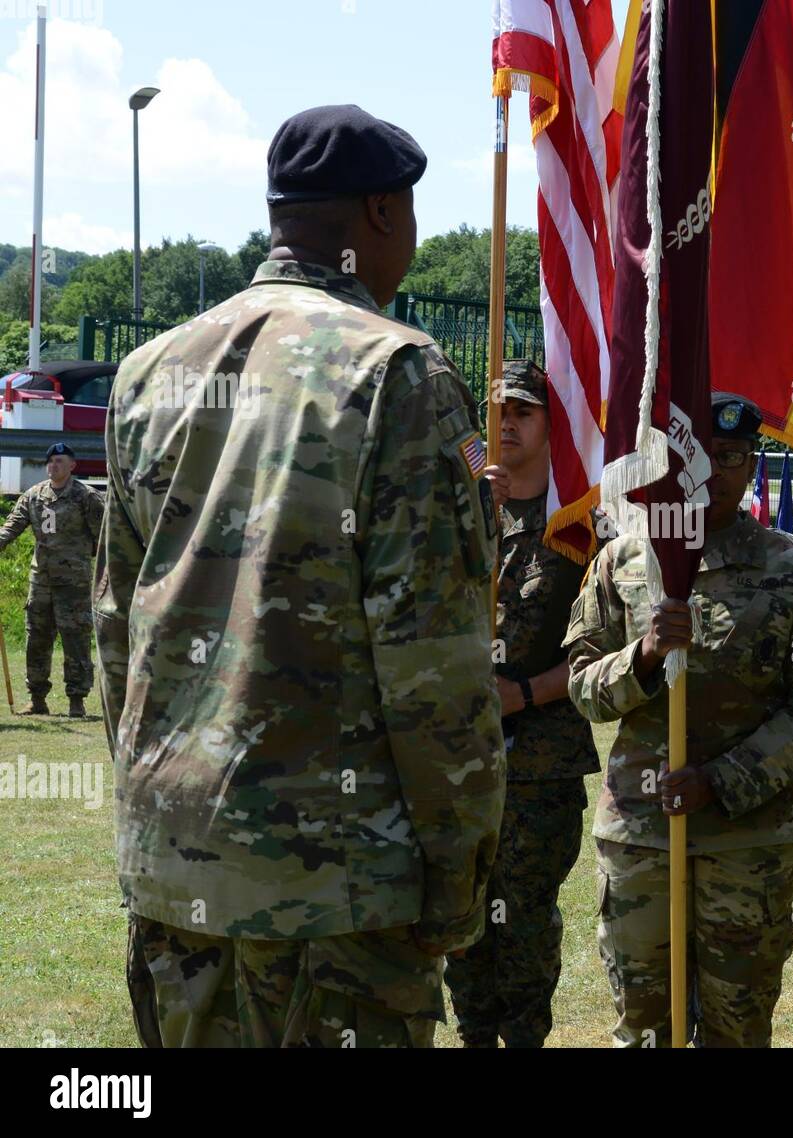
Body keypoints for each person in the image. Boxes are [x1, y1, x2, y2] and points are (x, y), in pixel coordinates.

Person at [93, 104, 506, 1048]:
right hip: (338, 893)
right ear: (380, 213)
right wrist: (459, 873)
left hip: (177, 863)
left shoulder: (150, 372)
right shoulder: (395, 372)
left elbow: (118, 624)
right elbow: (433, 668)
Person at [564, 392, 793, 1047]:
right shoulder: (626, 560)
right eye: (700, 456)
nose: (714, 471)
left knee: (738, 1027)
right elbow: (583, 687)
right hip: (641, 834)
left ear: (752, 466)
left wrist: (723, 780)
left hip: (745, 843)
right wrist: (641, 654)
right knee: (643, 1027)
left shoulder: (789, 568)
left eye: (731, 457)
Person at [444, 359, 600, 1048]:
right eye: (497, 410)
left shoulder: (577, 525)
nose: (505, 422)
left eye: (522, 411)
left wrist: (526, 693)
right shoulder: (466, 510)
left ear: (549, 423)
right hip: (458, 759)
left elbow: (605, 647)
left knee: (523, 923)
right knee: (461, 917)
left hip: (540, 764)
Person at [0, 442, 102, 717]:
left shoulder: (87, 497)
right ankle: (37, 698)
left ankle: (77, 700)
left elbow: (103, 538)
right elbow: (13, 525)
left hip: (73, 582)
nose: (53, 465)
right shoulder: (34, 496)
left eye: (60, 461)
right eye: (51, 461)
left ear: (72, 466)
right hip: (40, 581)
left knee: (75, 639)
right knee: (37, 638)